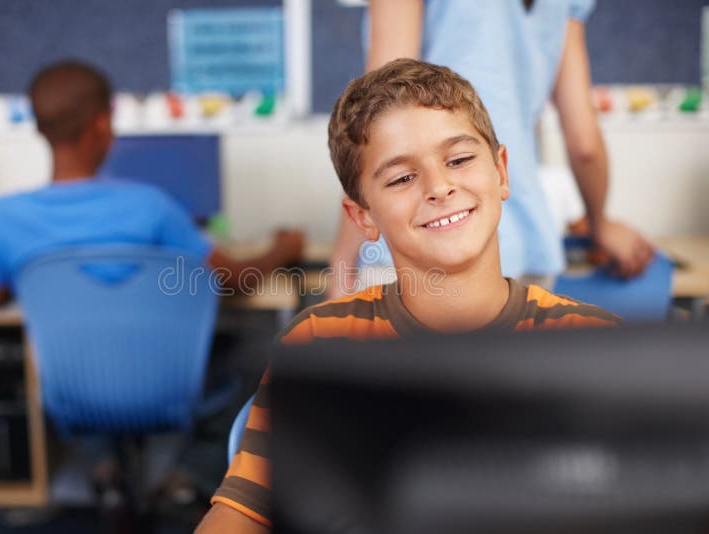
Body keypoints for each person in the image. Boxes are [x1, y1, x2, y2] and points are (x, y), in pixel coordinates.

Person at [195, 58, 620, 534]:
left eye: (458, 159)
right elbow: (240, 514)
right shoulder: (322, 346)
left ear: (501, 171)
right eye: (401, 178)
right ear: (362, 217)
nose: (440, 187)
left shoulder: (590, 341)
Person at [327, 0, 654, 299]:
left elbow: (373, 125)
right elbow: (584, 144)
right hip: (526, 244)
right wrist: (599, 223)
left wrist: (343, 262)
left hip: (419, 257)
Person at [0, 60, 303, 307]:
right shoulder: (150, 207)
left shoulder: (6, 216)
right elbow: (233, 282)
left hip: (66, 392)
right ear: (103, 124)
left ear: (39, 127)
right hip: (163, 391)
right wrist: (281, 251)